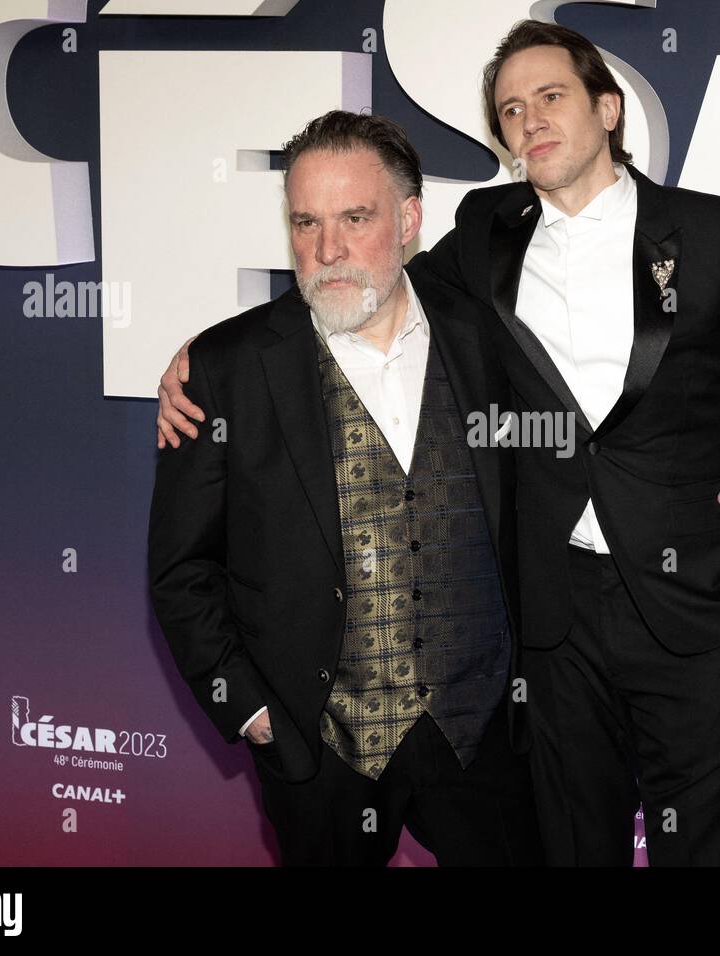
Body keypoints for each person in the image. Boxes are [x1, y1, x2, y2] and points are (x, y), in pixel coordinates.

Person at [156, 18, 720, 865]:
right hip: (547, 632)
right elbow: (362, 279)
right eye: (510, 108)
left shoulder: (717, 232)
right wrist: (196, 355)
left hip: (689, 613)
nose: (529, 118)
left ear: (609, 108)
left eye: (551, 96)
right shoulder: (487, 234)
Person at [148, 112, 554, 865]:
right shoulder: (225, 368)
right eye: (305, 222)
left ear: (408, 220)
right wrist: (253, 711)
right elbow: (182, 571)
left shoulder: (490, 338)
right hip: (321, 744)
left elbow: (589, 440)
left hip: (481, 729)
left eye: (354, 218)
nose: (326, 250)